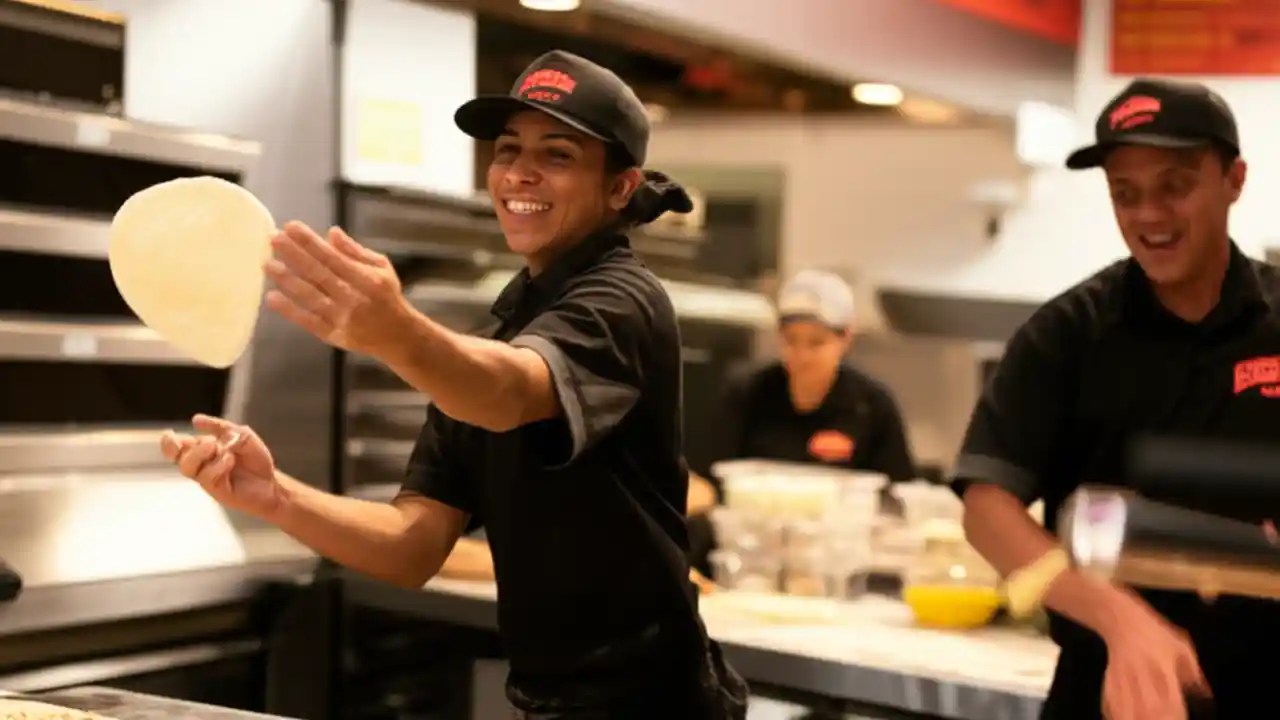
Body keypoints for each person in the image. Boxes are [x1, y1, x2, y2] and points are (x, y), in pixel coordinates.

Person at [160, 49, 748, 719]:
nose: (519, 173)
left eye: (557, 155)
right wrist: (273, 496)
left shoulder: (623, 302)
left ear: (620, 187)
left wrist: (393, 331)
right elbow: (411, 544)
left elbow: (506, 396)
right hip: (549, 701)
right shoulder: (495, 337)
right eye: (507, 150)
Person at [953, 78, 1280, 720]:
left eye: (1174, 185)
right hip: (1109, 697)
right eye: (1124, 194)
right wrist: (1121, 622)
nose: (1149, 215)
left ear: (1233, 180)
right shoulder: (1068, 335)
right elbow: (987, 509)